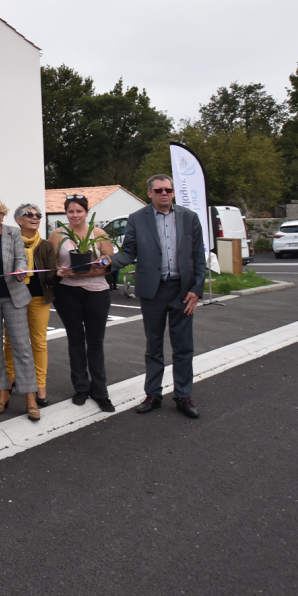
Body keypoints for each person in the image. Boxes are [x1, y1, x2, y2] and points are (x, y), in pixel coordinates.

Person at [108, 174, 208, 418]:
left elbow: (198, 256)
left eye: (169, 190)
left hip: (182, 291)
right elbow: (129, 252)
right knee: (153, 346)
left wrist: (196, 290)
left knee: (183, 347)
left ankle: (183, 396)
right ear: (150, 193)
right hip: (152, 291)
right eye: (159, 190)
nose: (165, 193)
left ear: (173, 192)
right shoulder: (136, 219)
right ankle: (153, 394)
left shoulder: (190, 218)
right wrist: (103, 262)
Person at [50, 195, 116, 413]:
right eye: (71, 211)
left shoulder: (98, 234)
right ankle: (80, 387)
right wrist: (59, 272)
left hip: (96, 292)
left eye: (79, 211)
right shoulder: (58, 235)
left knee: (96, 342)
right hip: (67, 292)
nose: (75, 215)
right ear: (66, 214)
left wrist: (91, 270)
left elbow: (109, 263)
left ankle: (100, 391)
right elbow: (50, 266)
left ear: (87, 212)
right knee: (75, 340)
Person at [0, 195, 41, 422]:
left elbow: (21, 258)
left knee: (22, 348)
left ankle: (30, 397)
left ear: (4, 214)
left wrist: (21, 269)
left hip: (14, 296)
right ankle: (2, 393)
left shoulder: (13, 233)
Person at [5, 202, 58, 406]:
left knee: (38, 342)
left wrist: (59, 275)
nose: (35, 217)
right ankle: (10, 381)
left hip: (38, 299)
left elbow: (51, 276)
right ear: (19, 220)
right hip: (14, 298)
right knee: (11, 341)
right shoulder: (9, 242)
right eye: (30, 215)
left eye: (38, 215)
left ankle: (40, 385)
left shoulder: (45, 245)